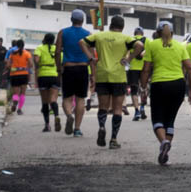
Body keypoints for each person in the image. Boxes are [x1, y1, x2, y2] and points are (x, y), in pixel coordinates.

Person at [142, 22, 191, 166]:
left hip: (159, 84)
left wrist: (143, 88)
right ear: (171, 33)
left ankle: (163, 142)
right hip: (178, 84)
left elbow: (146, 70)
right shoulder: (180, 46)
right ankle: (165, 151)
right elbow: (190, 68)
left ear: (158, 33)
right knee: (170, 119)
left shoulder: (152, 45)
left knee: (157, 117)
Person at [86, 17, 135, 149]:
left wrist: (91, 58)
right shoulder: (126, 38)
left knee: (103, 107)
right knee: (117, 109)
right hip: (118, 76)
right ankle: (113, 139)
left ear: (111, 25)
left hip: (102, 75)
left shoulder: (99, 36)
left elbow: (82, 42)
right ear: (122, 27)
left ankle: (102, 126)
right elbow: (140, 46)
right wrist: (128, 58)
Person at [57, 9, 94, 137]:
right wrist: (93, 73)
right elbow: (91, 55)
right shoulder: (88, 34)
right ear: (82, 20)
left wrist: (58, 68)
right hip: (83, 69)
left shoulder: (62, 32)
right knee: (80, 99)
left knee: (67, 98)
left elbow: (57, 52)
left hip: (68, 68)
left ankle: (69, 115)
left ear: (71, 19)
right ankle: (77, 129)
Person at [34, 33, 60, 131]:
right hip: (54, 75)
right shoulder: (56, 49)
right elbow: (61, 60)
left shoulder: (39, 48)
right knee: (53, 99)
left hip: (43, 76)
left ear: (44, 39)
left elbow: (36, 61)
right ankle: (57, 115)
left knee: (45, 102)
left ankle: (47, 125)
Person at [5, 40, 33, 117]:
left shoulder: (12, 54)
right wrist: (26, 68)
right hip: (24, 75)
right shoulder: (27, 53)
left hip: (14, 75)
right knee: (22, 93)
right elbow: (31, 64)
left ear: (16, 45)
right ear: (23, 45)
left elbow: (8, 65)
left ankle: (14, 103)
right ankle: (19, 109)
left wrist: (12, 67)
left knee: (16, 93)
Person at [125, 29, 147, 120]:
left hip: (133, 69)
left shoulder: (130, 40)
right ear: (142, 33)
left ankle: (137, 111)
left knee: (134, 90)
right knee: (143, 88)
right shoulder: (147, 40)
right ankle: (142, 107)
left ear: (134, 33)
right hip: (144, 68)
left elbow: (126, 55)